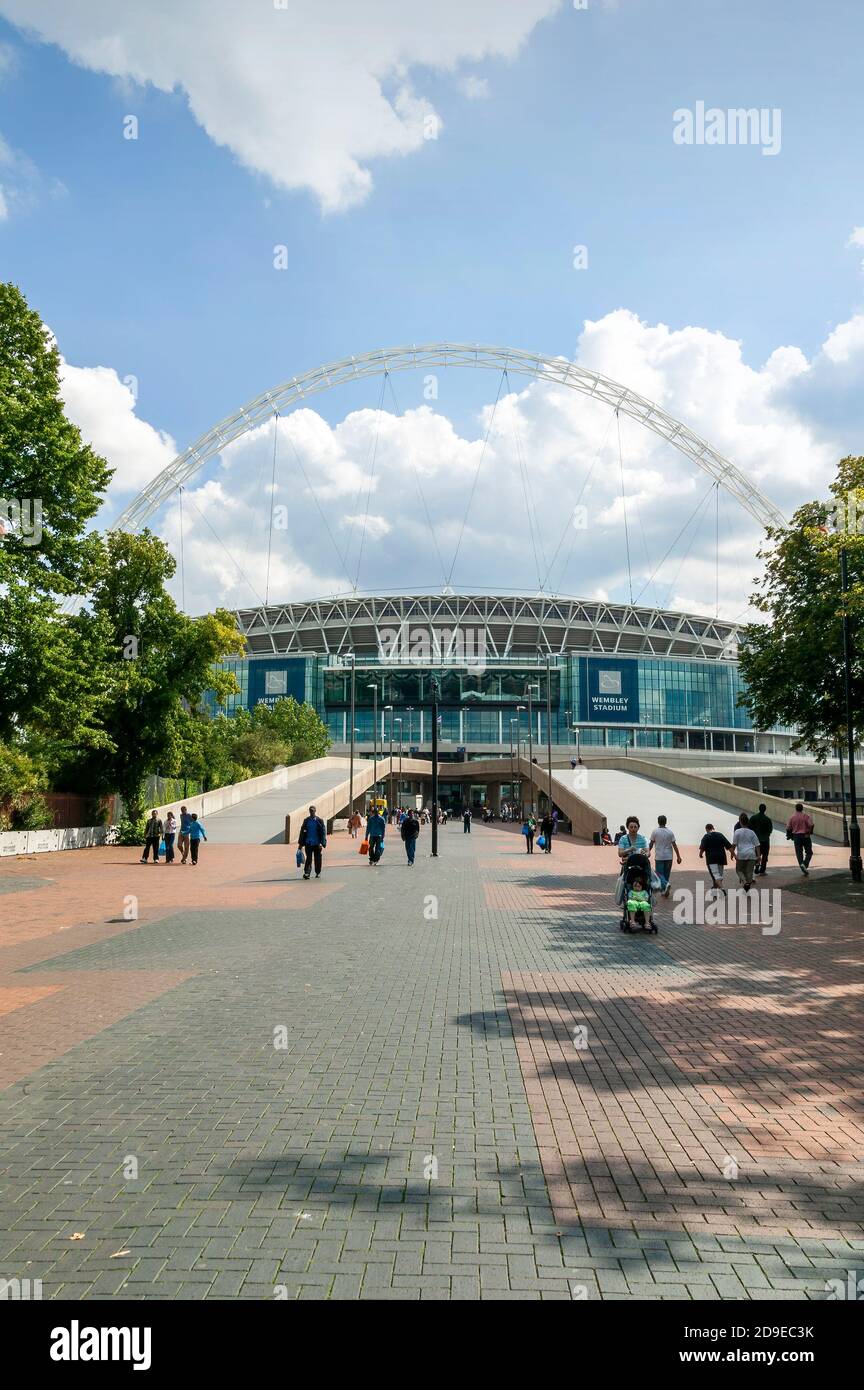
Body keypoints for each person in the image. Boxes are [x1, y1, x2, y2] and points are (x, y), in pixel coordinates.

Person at [649, 815, 682, 898]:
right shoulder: (670, 832)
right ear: (666, 822)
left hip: (659, 856)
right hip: (669, 856)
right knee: (666, 874)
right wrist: (678, 856)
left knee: (659, 874)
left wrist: (647, 852)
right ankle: (665, 891)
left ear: (658, 821)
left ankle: (666, 885)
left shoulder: (655, 832)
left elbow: (651, 844)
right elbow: (674, 845)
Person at [699, 823, 733, 896]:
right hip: (721, 858)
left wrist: (700, 854)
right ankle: (714, 890)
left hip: (711, 859)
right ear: (713, 828)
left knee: (715, 876)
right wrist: (734, 854)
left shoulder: (706, 836)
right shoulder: (720, 835)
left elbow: (702, 848)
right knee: (719, 876)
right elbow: (728, 846)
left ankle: (721, 888)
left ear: (706, 829)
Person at [731, 812, 760, 890]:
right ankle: (748, 885)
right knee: (749, 872)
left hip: (741, 855)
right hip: (751, 854)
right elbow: (757, 845)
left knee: (739, 870)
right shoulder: (752, 832)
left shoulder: (737, 831)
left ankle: (744, 882)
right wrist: (759, 856)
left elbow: (734, 844)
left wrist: (732, 853)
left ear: (740, 822)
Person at [298, 803, 327, 879]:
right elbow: (302, 832)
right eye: (310, 811)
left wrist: (322, 842)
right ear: (309, 811)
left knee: (318, 859)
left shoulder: (319, 821)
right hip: (308, 842)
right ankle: (307, 873)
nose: (311, 812)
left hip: (317, 843)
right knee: (309, 858)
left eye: (313, 811)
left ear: (315, 811)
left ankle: (318, 872)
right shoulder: (306, 821)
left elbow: (323, 832)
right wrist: (301, 844)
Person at [787, 802, 814, 876]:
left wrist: (789, 835)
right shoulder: (806, 816)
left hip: (796, 836)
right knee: (809, 852)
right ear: (802, 809)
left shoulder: (792, 817)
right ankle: (805, 864)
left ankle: (801, 864)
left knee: (799, 852)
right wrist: (810, 832)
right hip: (805, 836)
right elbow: (811, 825)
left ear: (796, 809)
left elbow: (788, 827)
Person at [749, 803, 773, 876]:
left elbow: (749, 827)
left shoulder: (753, 817)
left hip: (756, 840)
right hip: (765, 840)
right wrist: (766, 835)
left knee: (757, 854)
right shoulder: (767, 819)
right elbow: (770, 830)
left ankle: (757, 864)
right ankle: (762, 870)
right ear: (765, 810)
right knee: (765, 855)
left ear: (759, 808)